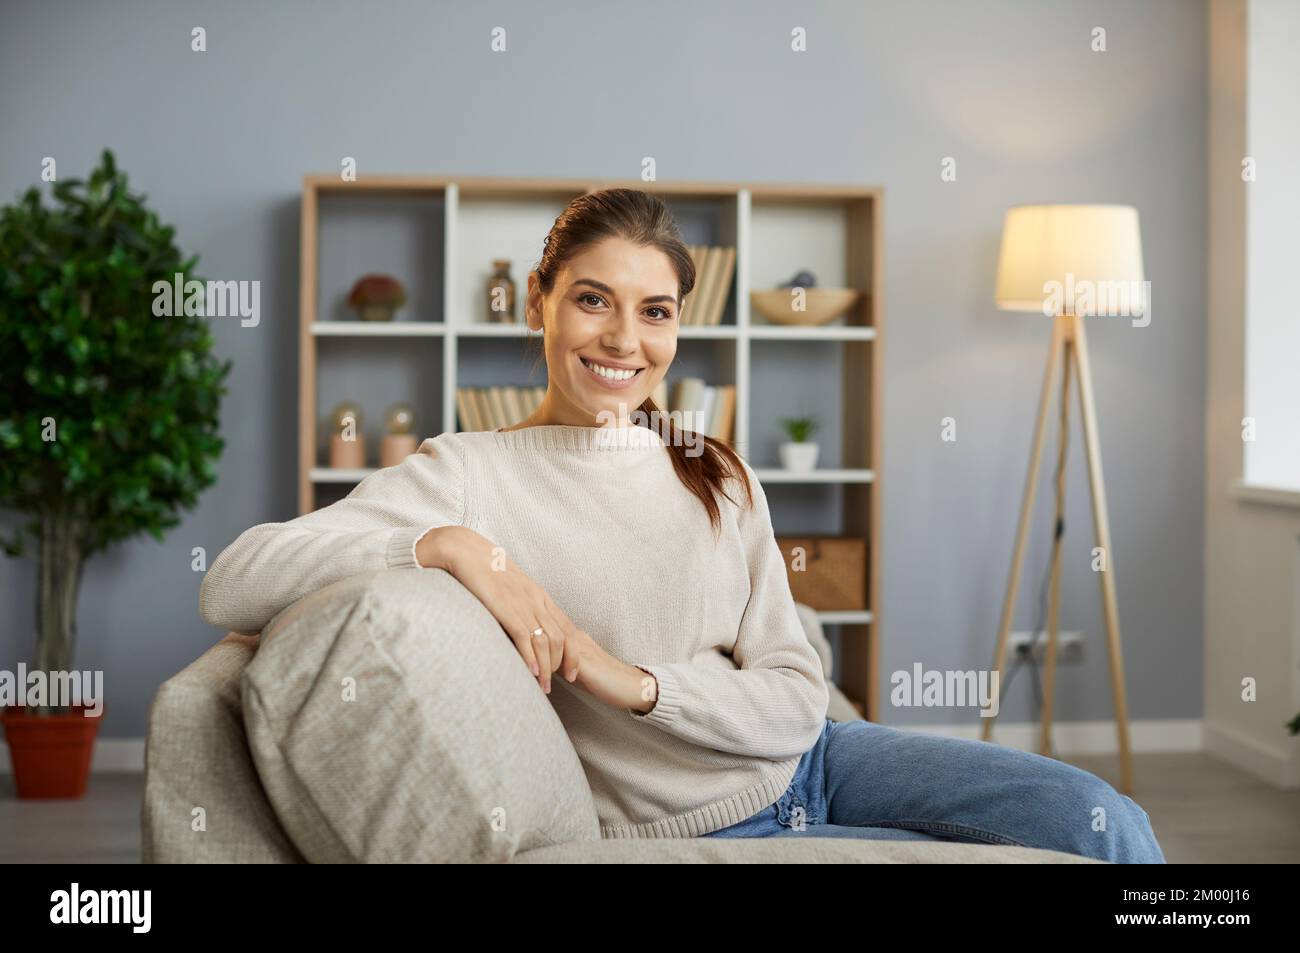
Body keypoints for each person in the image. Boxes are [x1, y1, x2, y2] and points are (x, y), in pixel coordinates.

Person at [199, 188, 1165, 862]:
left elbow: (796, 694)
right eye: (592, 300)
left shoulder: (715, 466)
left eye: (654, 311)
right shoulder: (468, 474)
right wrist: (447, 545)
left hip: (821, 760)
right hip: (696, 828)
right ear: (539, 303)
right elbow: (235, 575)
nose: (625, 340)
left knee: (1098, 819)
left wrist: (636, 684)